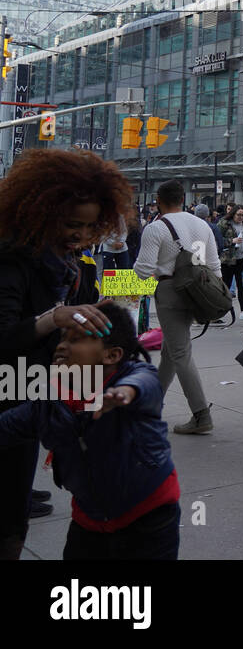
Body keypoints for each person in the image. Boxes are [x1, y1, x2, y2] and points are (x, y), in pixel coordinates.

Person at [0, 148, 131, 559]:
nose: (80, 234)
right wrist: (53, 318)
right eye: (72, 224)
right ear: (42, 211)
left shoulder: (74, 262)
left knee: (13, 508)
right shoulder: (12, 259)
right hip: (8, 390)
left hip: (35, 389)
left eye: (91, 226)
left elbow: (97, 305)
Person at [0, 299, 181, 559]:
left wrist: (125, 392)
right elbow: (7, 426)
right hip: (88, 520)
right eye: (62, 338)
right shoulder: (48, 402)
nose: (62, 346)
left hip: (149, 516)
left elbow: (144, 382)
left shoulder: (132, 380)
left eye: (75, 340)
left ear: (112, 355)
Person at [134, 181, 221, 436]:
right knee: (171, 352)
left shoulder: (156, 228)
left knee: (179, 352)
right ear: (183, 199)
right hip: (197, 291)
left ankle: (201, 414)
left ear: (158, 200)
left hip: (170, 291)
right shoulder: (201, 225)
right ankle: (150, 406)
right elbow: (214, 264)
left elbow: (144, 270)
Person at [219, 206, 243, 319]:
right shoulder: (224, 223)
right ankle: (220, 311)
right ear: (233, 214)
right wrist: (231, 241)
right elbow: (217, 239)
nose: (240, 217)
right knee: (225, 286)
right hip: (228, 261)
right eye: (238, 214)